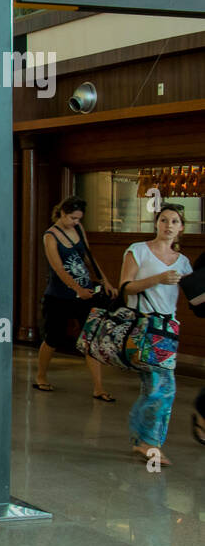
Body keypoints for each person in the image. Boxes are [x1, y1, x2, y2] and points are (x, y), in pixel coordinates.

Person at [120, 205, 193, 465]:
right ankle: (148, 442)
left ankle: (144, 440)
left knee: (157, 387)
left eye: (174, 221)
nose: (168, 225)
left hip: (168, 329)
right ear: (157, 223)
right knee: (164, 387)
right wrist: (158, 278)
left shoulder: (182, 262)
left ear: (181, 227)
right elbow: (125, 288)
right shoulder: (138, 250)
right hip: (143, 325)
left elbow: (195, 294)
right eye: (164, 220)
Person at [34, 196, 117, 401]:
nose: (75, 222)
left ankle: (98, 387)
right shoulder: (50, 236)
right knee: (53, 338)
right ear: (62, 214)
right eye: (72, 218)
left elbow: (88, 257)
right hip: (59, 296)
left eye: (79, 219)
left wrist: (103, 280)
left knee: (90, 337)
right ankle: (41, 375)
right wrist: (76, 288)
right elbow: (58, 268)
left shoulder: (79, 230)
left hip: (85, 293)